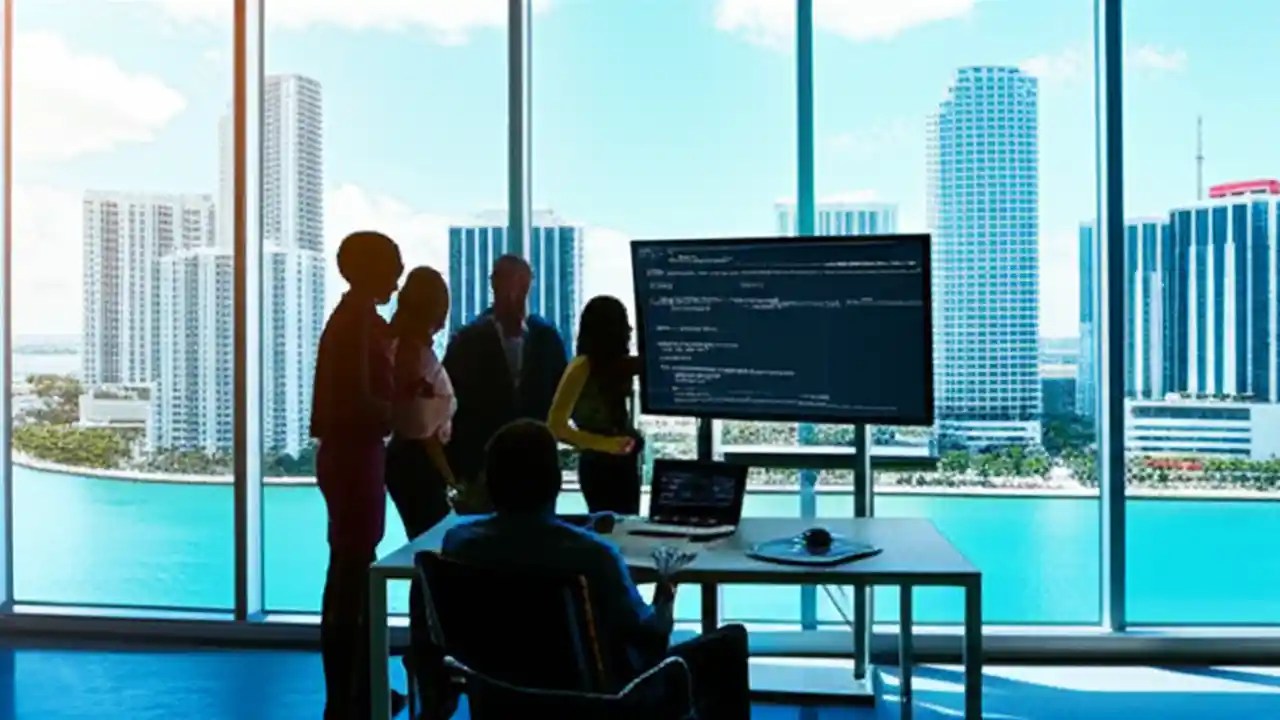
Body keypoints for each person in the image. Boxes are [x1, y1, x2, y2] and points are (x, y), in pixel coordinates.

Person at [443, 420, 750, 720]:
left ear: (489, 480)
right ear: (557, 481)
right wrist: (666, 586)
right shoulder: (594, 555)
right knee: (728, 643)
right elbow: (651, 640)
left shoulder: (459, 544)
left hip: (500, 700)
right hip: (605, 702)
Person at [310, 230, 404, 719]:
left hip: (350, 455)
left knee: (351, 571)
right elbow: (365, 402)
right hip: (355, 455)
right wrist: (406, 410)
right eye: (393, 264)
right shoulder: (359, 326)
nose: (399, 273)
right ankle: (347, 695)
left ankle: (360, 688)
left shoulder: (353, 320)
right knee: (350, 577)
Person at [384, 265, 458, 716]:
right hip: (416, 464)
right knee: (431, 557)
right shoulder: (409, 352)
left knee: (426, 557)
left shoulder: (401, 346)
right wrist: (451, 477)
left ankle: (425, 652)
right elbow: (420, 428)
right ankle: (426, 651)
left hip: (407, 463)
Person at [442, 254, 568, 498]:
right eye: (508, 284)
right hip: (483, 467)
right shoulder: (468, 340)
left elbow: (561, 399)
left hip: (536, 467)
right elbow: (452, 405)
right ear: (494, 285)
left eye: (520, 285)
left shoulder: (546, 339)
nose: (513, 293)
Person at [547, 295, 644, 514]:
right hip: (599, 464)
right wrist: (606, 444)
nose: (629, 330)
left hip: (622, 461)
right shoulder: (581, 367)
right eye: (622, 323)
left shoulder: (616, 366)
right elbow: (556, 425)